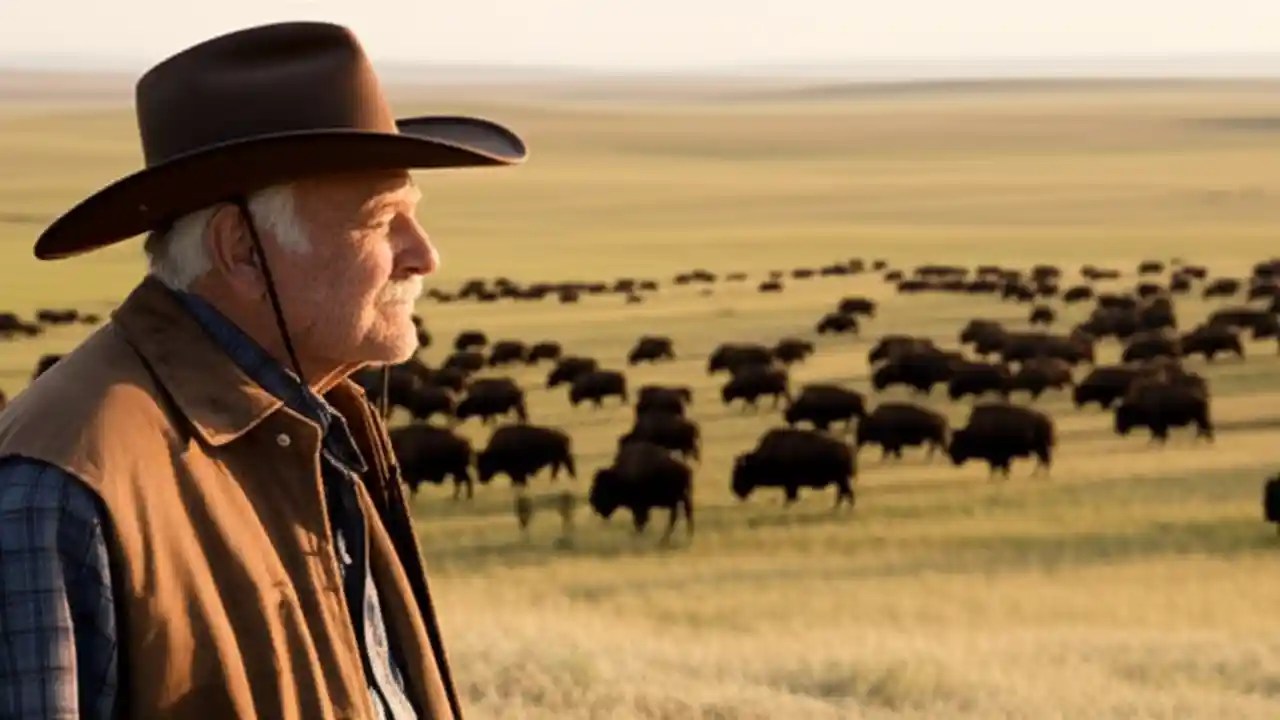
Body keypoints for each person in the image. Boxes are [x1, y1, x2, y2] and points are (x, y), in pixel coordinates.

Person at [0, 21, 526, 720]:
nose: (424, 255)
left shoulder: (323, 421)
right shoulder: (64, 485)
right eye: (381, 220)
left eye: (415, 216)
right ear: (242, 248)